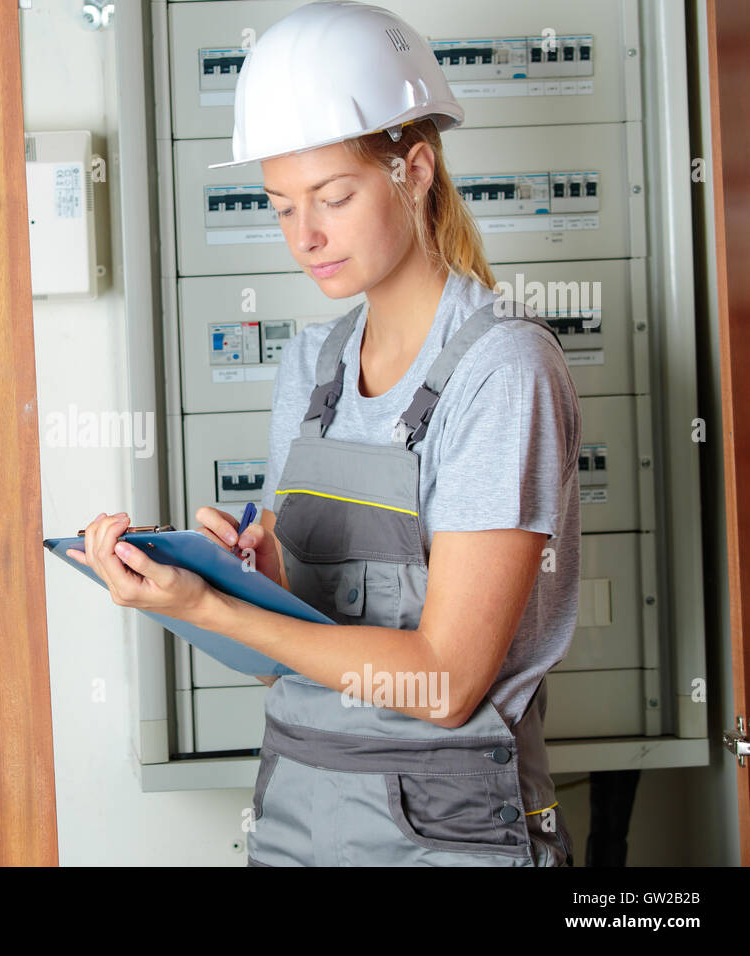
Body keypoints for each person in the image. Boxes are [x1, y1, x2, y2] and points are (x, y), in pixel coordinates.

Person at [67, 0, 581, 866]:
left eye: (333, 198)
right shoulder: (316, 366)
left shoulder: (504, 371)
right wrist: (234, 591)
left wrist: (221, 607)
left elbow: (446, 683)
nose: (305, 237)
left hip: (450, 836)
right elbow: (288, 665)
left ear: (415, 170)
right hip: (299, 816)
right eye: (279, 207)